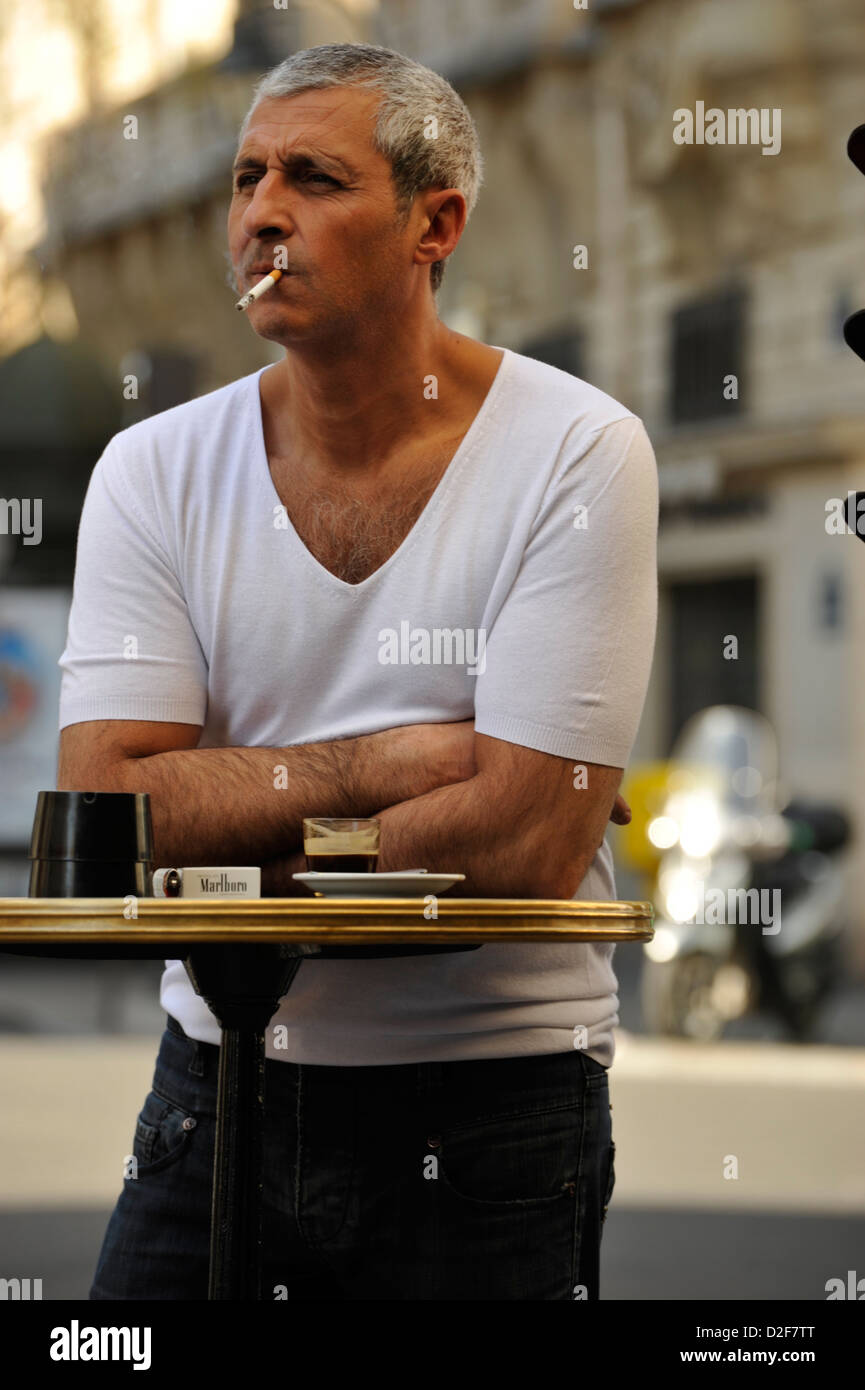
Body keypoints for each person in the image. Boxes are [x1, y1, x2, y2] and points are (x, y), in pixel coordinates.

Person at [57, 42, 658, 1301]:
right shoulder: (153, 469)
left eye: (315, 179)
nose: (262, 213)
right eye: (246, 177)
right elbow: (106, 809)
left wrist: (230, 865)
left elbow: (524, 845)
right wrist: (399, 761)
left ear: (434, 223)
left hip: (493, 1115)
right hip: (215, 1092)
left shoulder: (578, 452)